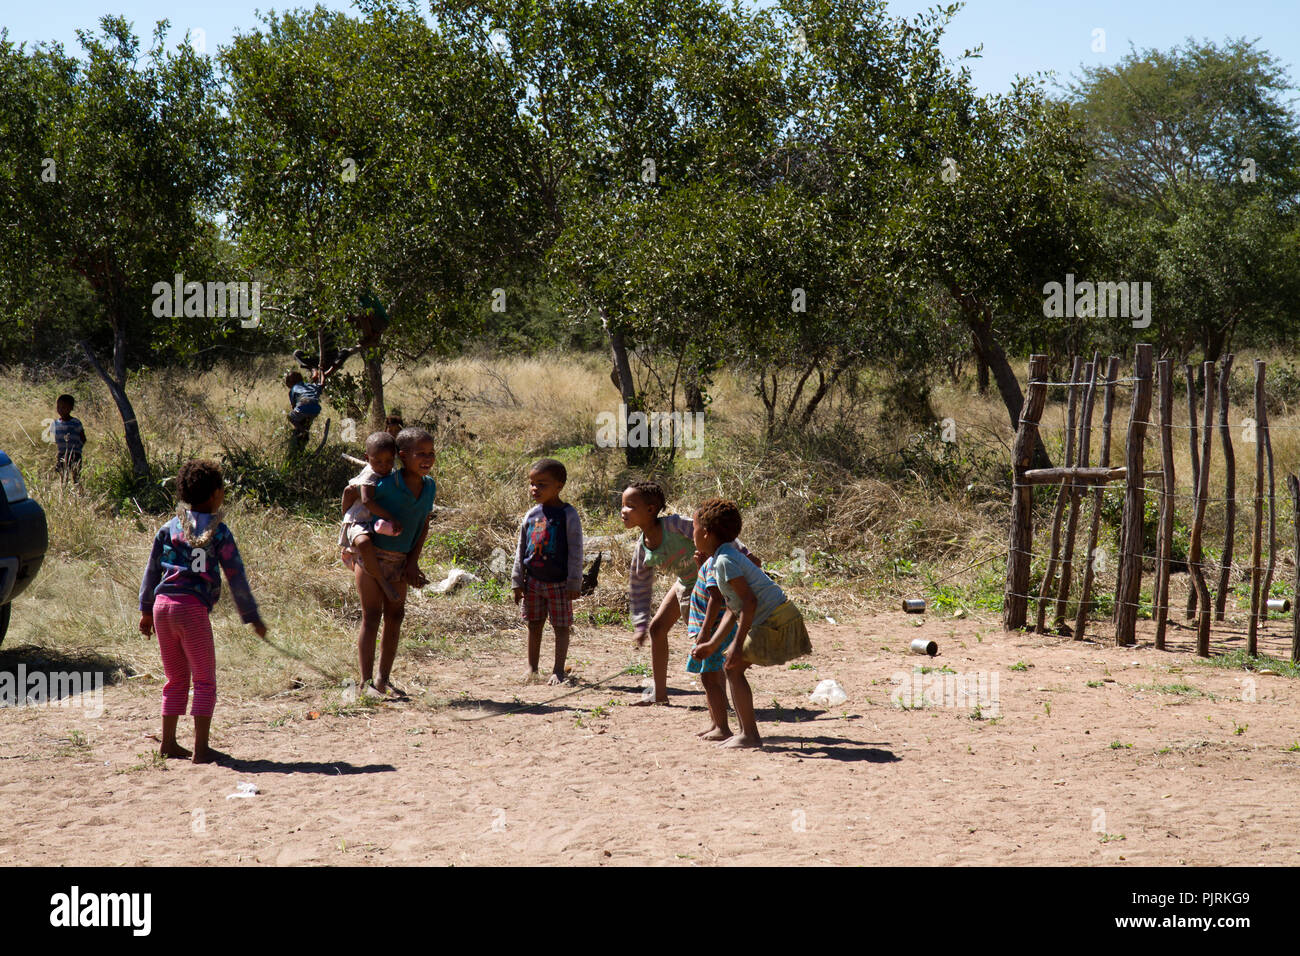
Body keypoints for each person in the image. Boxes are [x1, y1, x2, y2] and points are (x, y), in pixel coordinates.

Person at [138, 460, 266, 763]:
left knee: (176, 678)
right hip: (191, 610)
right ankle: (201, 748)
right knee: (204, 680)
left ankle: (168, 743)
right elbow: (236, 576)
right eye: (222, 490)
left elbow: (151, 570)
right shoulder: (219, 532)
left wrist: (145, 611)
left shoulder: (170, 527)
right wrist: (252, 617)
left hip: (162, 608)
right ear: (215, 494)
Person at [622, 481, 756, 705]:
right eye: (623, 505)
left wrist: (744, 554)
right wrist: (640, 624)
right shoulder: (642, 546)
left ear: (651, 509)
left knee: (709, 642)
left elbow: (714, 531)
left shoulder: (674, 525)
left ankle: (721, 703)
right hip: (684, 584)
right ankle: (660, 695)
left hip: (709, 583)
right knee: (657, 629)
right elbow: (639, 587)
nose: (623, 511)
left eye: (630, 506)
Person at [693, 498, 811, 749]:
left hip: (775, 619)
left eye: (693, 528)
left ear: (704, 532)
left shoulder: (725, 560)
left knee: (732, 667)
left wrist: (736, 644)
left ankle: (749, 735)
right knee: (732, 667)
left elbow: (749, 603)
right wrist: (713, 643)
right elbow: (733, 608)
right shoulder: (719, 559)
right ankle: (747, 733)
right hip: (773, 616)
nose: (691, 533)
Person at [354, 427, 437, 696]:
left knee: (395, 616)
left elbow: (423, 525)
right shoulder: (385, 484)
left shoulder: (429, 486)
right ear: (403, 456)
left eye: (431, 453)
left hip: (401, 561)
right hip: (372, 559)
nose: (427, 458)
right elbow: (353, 499)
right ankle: (365, 683)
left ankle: (383, 679)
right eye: (420, 454)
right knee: (371, 617)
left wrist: (412, 562)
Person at [511, 458, 583, 685]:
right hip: (533, 581)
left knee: (561, 626)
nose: (535, 489)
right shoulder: (531, 514)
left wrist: (574, 582)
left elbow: (576, 550)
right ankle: (532, 668)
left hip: (560, 583)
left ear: (559, 485)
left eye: (542, 484)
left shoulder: (568, 515)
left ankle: (558, 670)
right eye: (532, 483)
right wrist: (517, 579)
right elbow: (521, 548)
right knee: (534, 624)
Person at [340, 431, 406, 603]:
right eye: (378, 461)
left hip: (372, 520)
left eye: (389, 461)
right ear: (367, 458)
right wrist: (391, 517)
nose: (384, 465)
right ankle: (382, 582)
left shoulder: (390, 474)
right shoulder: (369, 474)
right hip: (359, 519)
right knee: (364, 543)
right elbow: (367, 501)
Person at [686, 551, 737, 740]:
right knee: (708, 678)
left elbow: (716, 598)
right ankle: (716, 723)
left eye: (696, 530)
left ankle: (722, 728)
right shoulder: (712, 560)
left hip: (713, 630)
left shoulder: (715, 562)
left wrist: (705, 631)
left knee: (710, 679)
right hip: (713, 629)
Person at [51, 394, 87, 482]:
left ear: (71, 408)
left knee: (76, 477)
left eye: (64, 407)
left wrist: (77, 449)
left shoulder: (76, 422)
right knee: (63, 478)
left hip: (75, 455)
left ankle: (80, 494)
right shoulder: (55, 423)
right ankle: (64, 493)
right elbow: (54, 439)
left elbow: (83, 438)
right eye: (58, 407)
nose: (60, 409)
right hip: (61, 454)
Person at [285, 369, 325, 446]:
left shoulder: (293, 389)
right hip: (316, 409)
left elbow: (294, 406)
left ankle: (303, 431)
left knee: (290, 417)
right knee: (307, 421)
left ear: (291, 383)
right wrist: (321, 371)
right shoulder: (310, 386)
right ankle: (304, 433)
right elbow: (322, 384)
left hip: (303, 405)